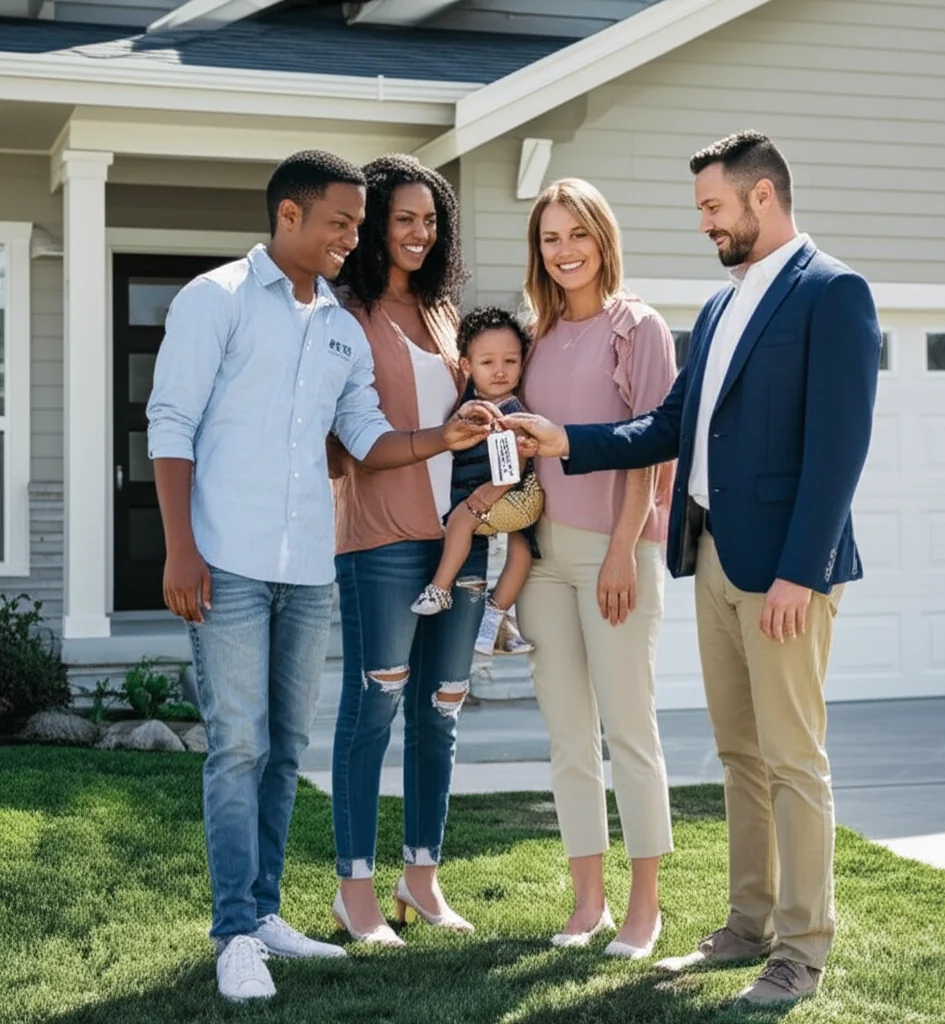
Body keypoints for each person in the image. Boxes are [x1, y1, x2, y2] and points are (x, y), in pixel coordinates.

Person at [503, 132, 881, 1005]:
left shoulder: (833, 292)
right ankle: (747, 926)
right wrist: (569, 441)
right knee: (742, 755)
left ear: (761, 198)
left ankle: (802, 949)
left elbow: (839, 450)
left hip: (787, 569)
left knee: (794, 759)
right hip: (712, 556)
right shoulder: (718, 307)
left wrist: (802, 571)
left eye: (713, 207)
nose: (704, 223)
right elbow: (666, 427)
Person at [147, 150, 492, 1003]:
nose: (353, 237)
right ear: (289, 216)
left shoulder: (339, 325)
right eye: (341, 221)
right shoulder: (215, 300)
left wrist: (441, 441)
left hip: (305, 568)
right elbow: (170, 420)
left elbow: (368, 438)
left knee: (284, 748)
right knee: (237, 744)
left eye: (356, 224)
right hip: (224, 558)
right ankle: (232, 931)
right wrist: (179, 548)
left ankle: (264, 915)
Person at [327, 154, 493, 947]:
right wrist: (442, 434)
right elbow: (355, 443)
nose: (420, 234)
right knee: (375, 709)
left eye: (431, 220)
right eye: (404, 219)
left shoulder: (443, 313)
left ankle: (420, 880)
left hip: (456, 544)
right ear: (373, 227)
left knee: (441, 715)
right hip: (384, 541)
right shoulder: (346, 314)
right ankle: (354, 890)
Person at [515, 178, 678, 960]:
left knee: (629, 730)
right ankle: (588, 904)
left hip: (617, 552)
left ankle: (644, 910)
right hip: (543, 558)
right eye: (550, 237)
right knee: (569, 738)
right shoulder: (536, 334)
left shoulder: (636, 327)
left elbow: (652, 440)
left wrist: (623, 548)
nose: (565, 250)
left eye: (577, 233)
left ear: (602, 238)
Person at [411, 305, 540, 658]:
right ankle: (495, 622)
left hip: (513, 494)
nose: (500, 371)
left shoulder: (512, 412)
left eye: (510, 362)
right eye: (488, 363)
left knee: (462, 520)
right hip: (503, 494)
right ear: (467, 366)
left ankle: (440, 587)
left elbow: (517, 461)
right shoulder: (471, 405)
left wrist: (486, 495)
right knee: (521, 553)